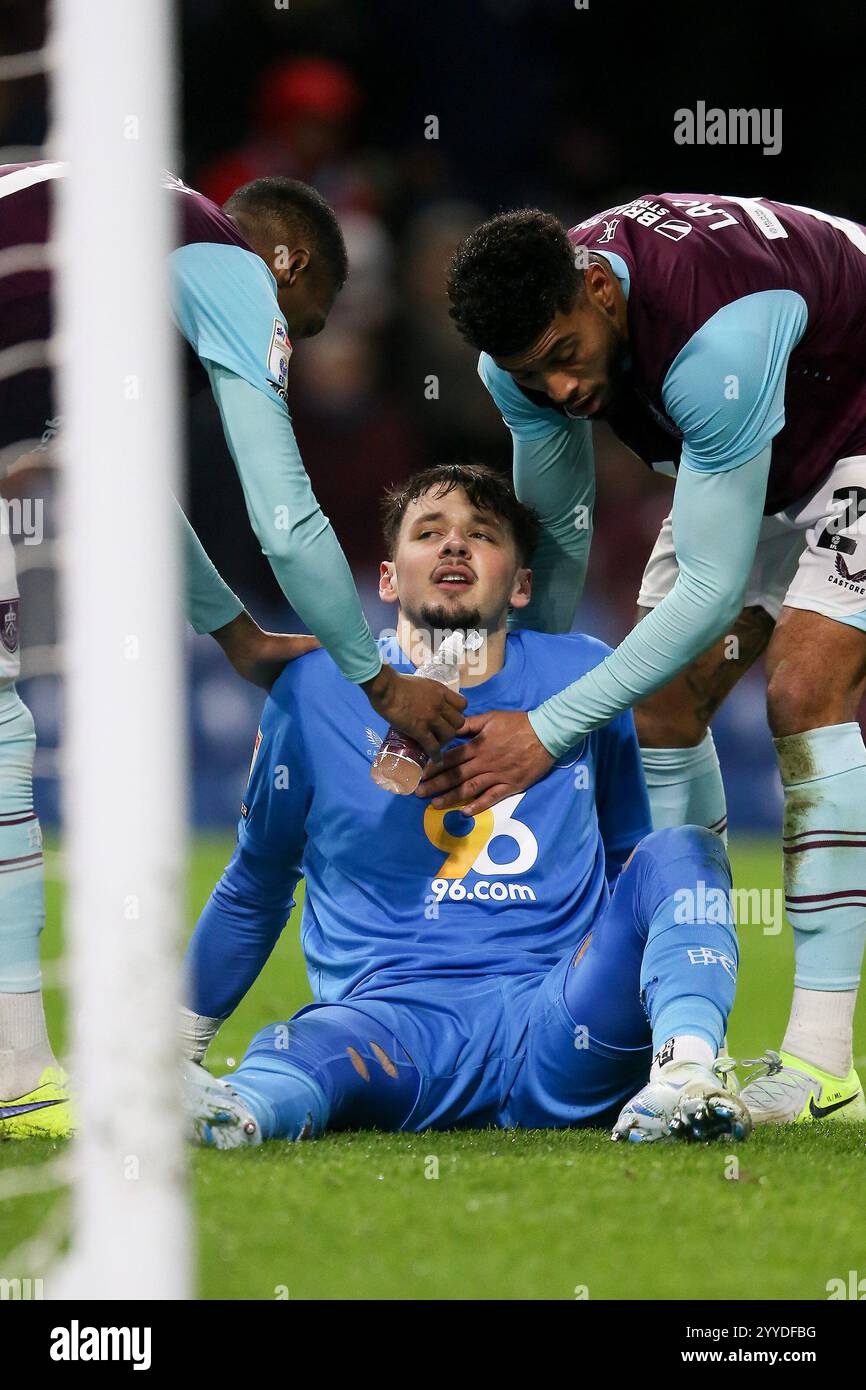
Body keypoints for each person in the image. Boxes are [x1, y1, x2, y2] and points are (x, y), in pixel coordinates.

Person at [0, 161, 462, 1137]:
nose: (289, 342)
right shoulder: (223, 258)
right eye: (305, 315)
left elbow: (111, 471)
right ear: (282, 260)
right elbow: (286, 518)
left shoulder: (94, 239)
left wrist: (234, 630)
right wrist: (373, 676)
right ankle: (19, 1076)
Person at [432, 193, 866, 1125]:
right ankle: (687, 1023)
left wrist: (546, 730)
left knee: (803, 689)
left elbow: (709, 592)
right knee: (658, 704)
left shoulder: (716, 339)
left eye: (562, 358)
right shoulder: (529, 354)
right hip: (765, 457)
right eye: (529, 375)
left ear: (599, 288)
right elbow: (558, 549)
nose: (558, 391)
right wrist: (516, 692)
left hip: (855, 435)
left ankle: (824, 1063)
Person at [181, 463, 750, 1147]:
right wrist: (176, 1046)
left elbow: (633, 863)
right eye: (430, 532)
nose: (455, 545)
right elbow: (256, 885)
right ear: (386, 578)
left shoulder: (583, 674)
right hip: (392, 1032)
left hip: (565, 1024)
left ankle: (686, 1078)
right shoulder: (313, 693)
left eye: (481, 534)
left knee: (684, 849)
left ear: (521, 585)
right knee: (300, 1046)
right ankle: (226, 1113)